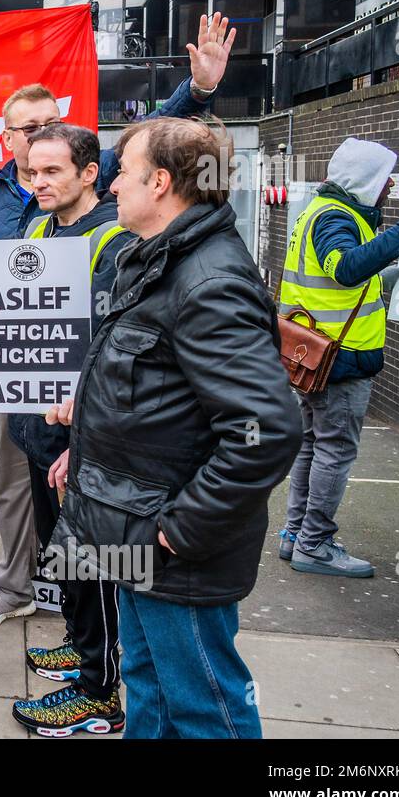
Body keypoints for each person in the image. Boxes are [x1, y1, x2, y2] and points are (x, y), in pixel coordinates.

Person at [0, 12, 236, 631]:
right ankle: (30, 592)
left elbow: (148, 146)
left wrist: (197, 93)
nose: (43, 143)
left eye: (51, 130)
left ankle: (91, 645)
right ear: (9, 140)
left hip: (87, 402)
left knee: (91, 528)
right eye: (29, 133)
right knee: (23, 494)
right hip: (18, 384)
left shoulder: (107, 205)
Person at [48, 117, 302, 738]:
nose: (111, 188)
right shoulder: (163, 259)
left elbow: (265, 429)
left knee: (202, 706)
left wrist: (183, 530)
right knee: (149, 687)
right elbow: (164, 391)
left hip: (173, 550)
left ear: (160, 183)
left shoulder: (208, 282)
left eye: (124, 174)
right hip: (136, 532)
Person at [0, 124, 134, 737]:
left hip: (79, 439)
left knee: (92, 563)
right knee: (67, 560)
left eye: (52, 171)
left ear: (89, 173)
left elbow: (112, 348)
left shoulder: (111, 237)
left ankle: (99, 694)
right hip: (36, 428)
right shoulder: (38, 227)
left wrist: (85, 441)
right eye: (32, 172)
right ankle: (83, 653)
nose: (39, 182)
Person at [278, 140, 399, 577]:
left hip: (312, 356)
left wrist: (381, 278)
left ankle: (295, 534)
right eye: (384, 178)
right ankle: (314, 544)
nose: (389, 186)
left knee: (313, 446)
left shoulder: (317, 210)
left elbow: (337, 277)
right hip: (340, 358)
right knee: (334, 450)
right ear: (366, 180)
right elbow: (344, 266)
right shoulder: (337, 216)